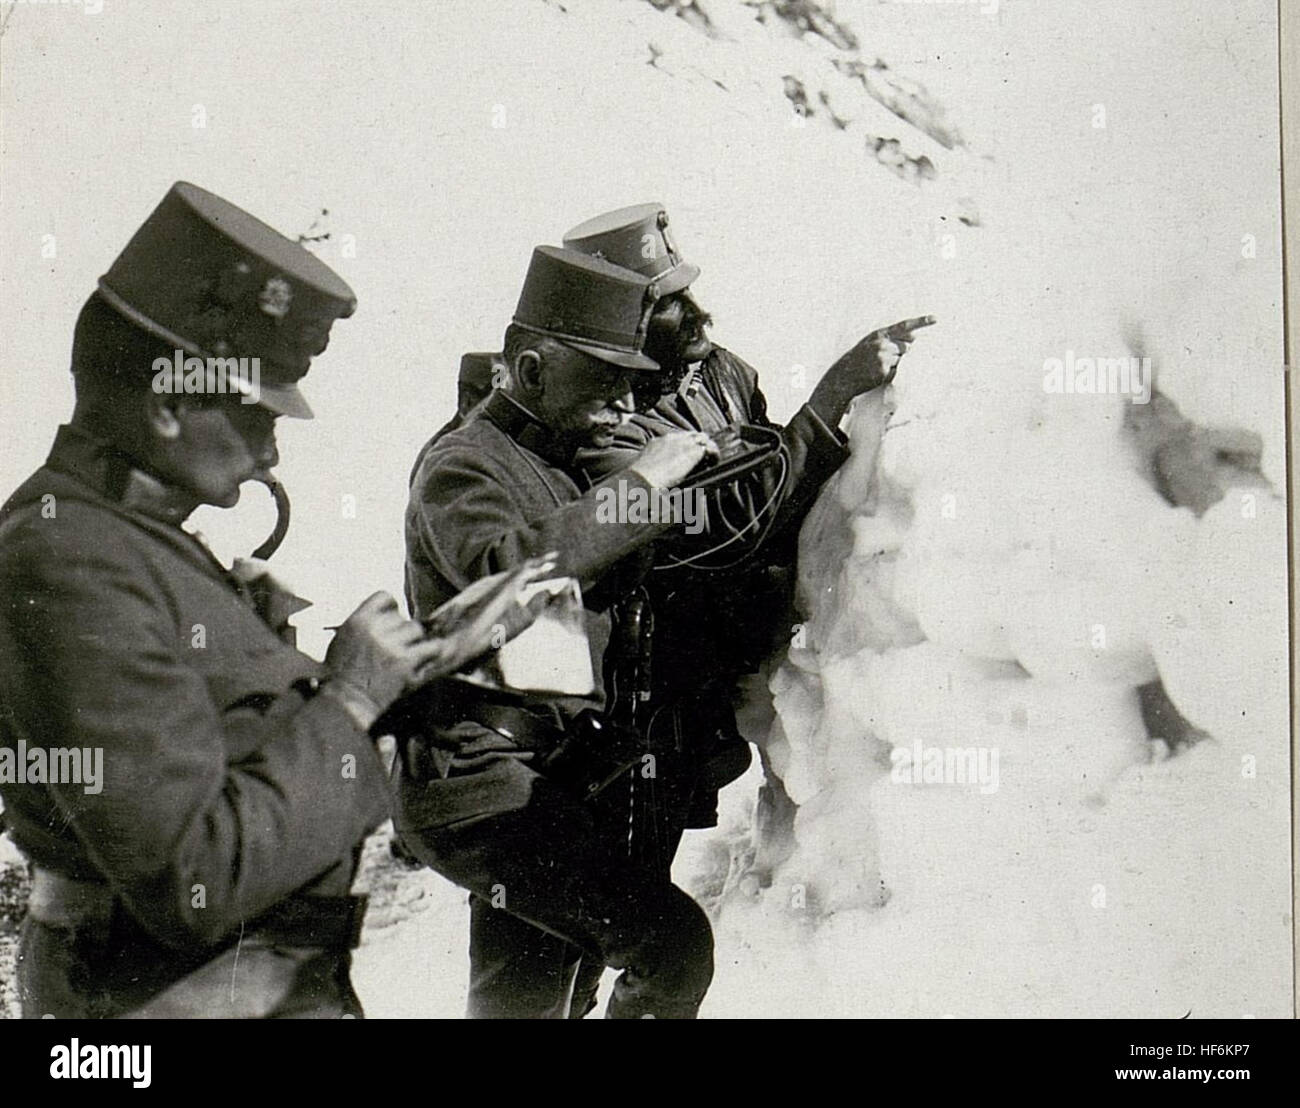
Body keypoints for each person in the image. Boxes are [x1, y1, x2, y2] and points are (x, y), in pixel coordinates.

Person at [0, 181, 542, 1018]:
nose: (271, 454)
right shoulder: (66, 562)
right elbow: (197, 880)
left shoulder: (127, 542)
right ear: (173, 402)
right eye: (259, 415)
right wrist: (352, 698)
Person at [559, 202, 931, 1015]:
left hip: (709, 685)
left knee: (650, 930)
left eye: (689, 292)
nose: (697, 313)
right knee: (598, 929)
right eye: (668, 305)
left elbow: (774, 490)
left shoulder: (720, 371)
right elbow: (719, 524)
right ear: (622, 322)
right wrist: (831, 401)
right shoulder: (599, 421)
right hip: (635, 706)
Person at [396, 244, 723, 1019]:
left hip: (558, 776)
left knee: (541, 999)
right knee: (669, 945)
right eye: (606, 384)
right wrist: (644, 487)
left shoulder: (564, 457)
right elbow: (507, 572)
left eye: (631, 385)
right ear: (533, 369)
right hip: (481, 782)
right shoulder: (464, 467)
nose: (623, 407)